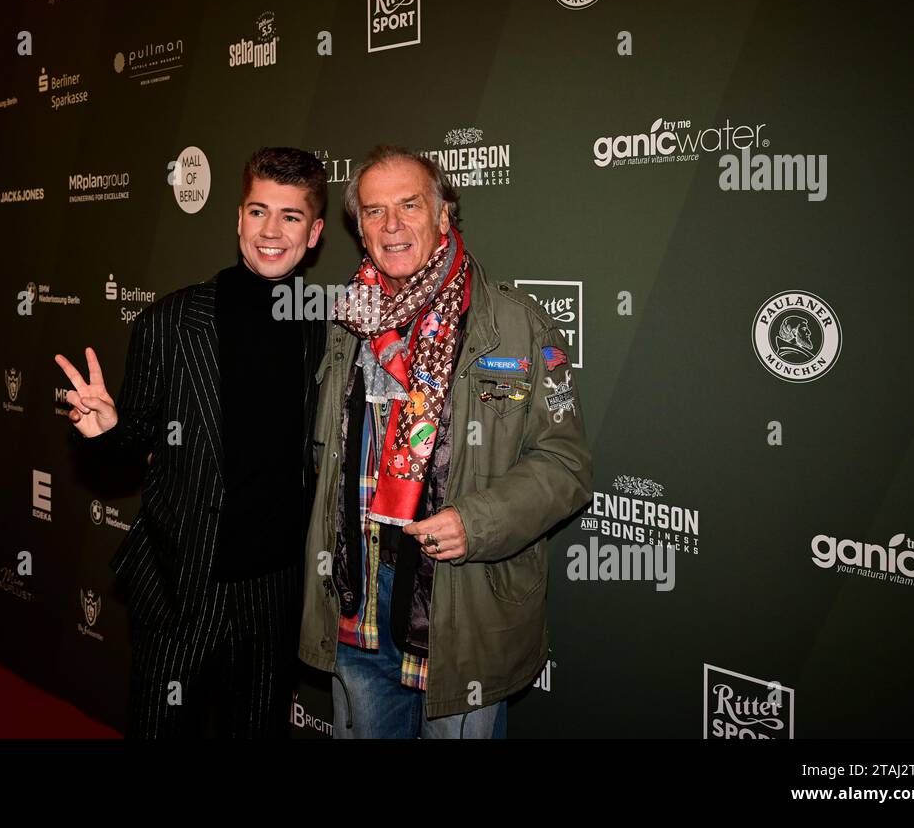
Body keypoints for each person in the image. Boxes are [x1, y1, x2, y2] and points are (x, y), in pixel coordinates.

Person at [299, 144, 593, 738]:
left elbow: (565, 465)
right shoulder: (344, 321)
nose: (392, 225)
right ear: (359, 230)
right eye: (375, 212)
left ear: (443, 214)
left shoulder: (515, 323)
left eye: (409, 205)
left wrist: (477, 522)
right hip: (358, 600)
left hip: (460, 606)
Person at [56, 147, 327, 738]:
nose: (271, 231)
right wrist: (107, 430)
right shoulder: (173, 320)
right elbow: (137, 437)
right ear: (237, 220)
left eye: (291, 216)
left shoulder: (320, 328)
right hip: (183, 586)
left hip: (275, 590)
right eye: (259, 212)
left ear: (315, 233)